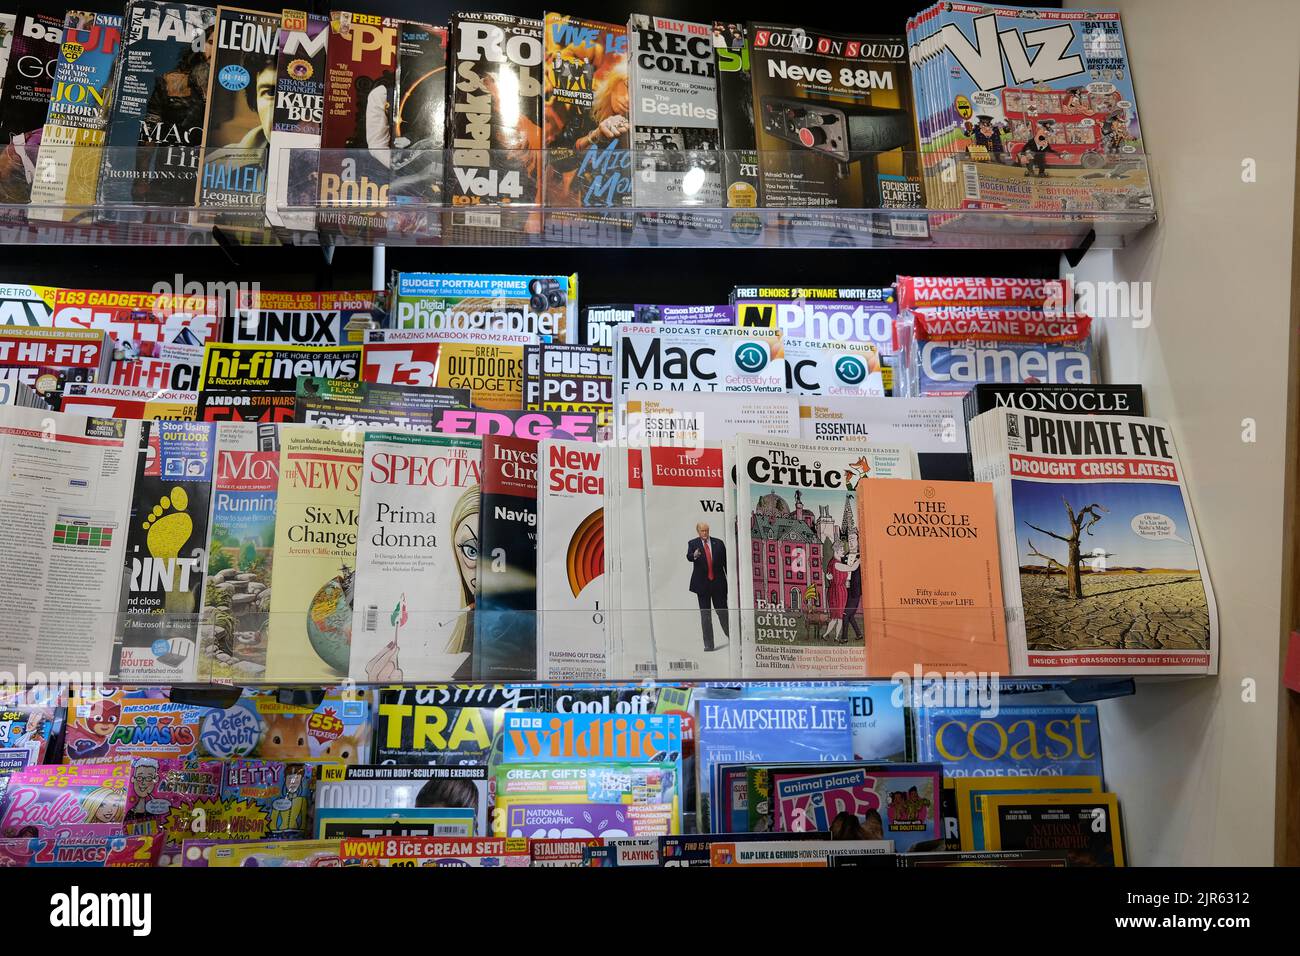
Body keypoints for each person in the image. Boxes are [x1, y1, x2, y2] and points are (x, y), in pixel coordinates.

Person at [687, 521, 729, 651]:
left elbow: (726, 563)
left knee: (723, 612)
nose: (705, 533)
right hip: (702, 585)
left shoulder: (719, 543)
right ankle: (709, 644)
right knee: (705, 616)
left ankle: (733, 637)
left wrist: (732, 581)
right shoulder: (693, 543)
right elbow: (689, 556)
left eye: (706, 530)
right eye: (702, 531)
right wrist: (694, 556)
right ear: (698, 531)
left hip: (718, 585)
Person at [839, 548, 863, 643]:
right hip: (846, 590)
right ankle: (859, 634)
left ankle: (844, 638)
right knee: (850, 615)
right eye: (850, 539)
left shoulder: (861, 557)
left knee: (845, 614)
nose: (851, 542)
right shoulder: (845, 556)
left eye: (853, 539)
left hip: (855, 591)